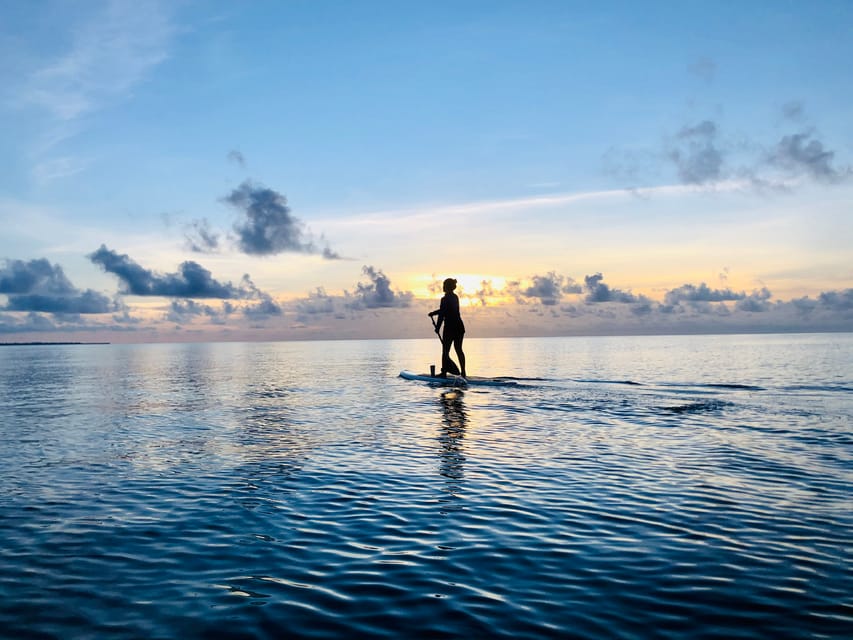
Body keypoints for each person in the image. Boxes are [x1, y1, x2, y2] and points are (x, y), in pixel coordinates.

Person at [428, 277, 467, 378]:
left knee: (445, 351)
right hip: (459, 326)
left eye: (444, 285)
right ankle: (463, 373)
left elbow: (443, 313)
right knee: (459, 349)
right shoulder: (455, 297)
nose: (443, 287)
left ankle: (444, 373)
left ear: (447, 287)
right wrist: (434, 313)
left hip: (450, 328)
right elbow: (444, 310)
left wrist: (438, 327)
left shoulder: (444, 299)